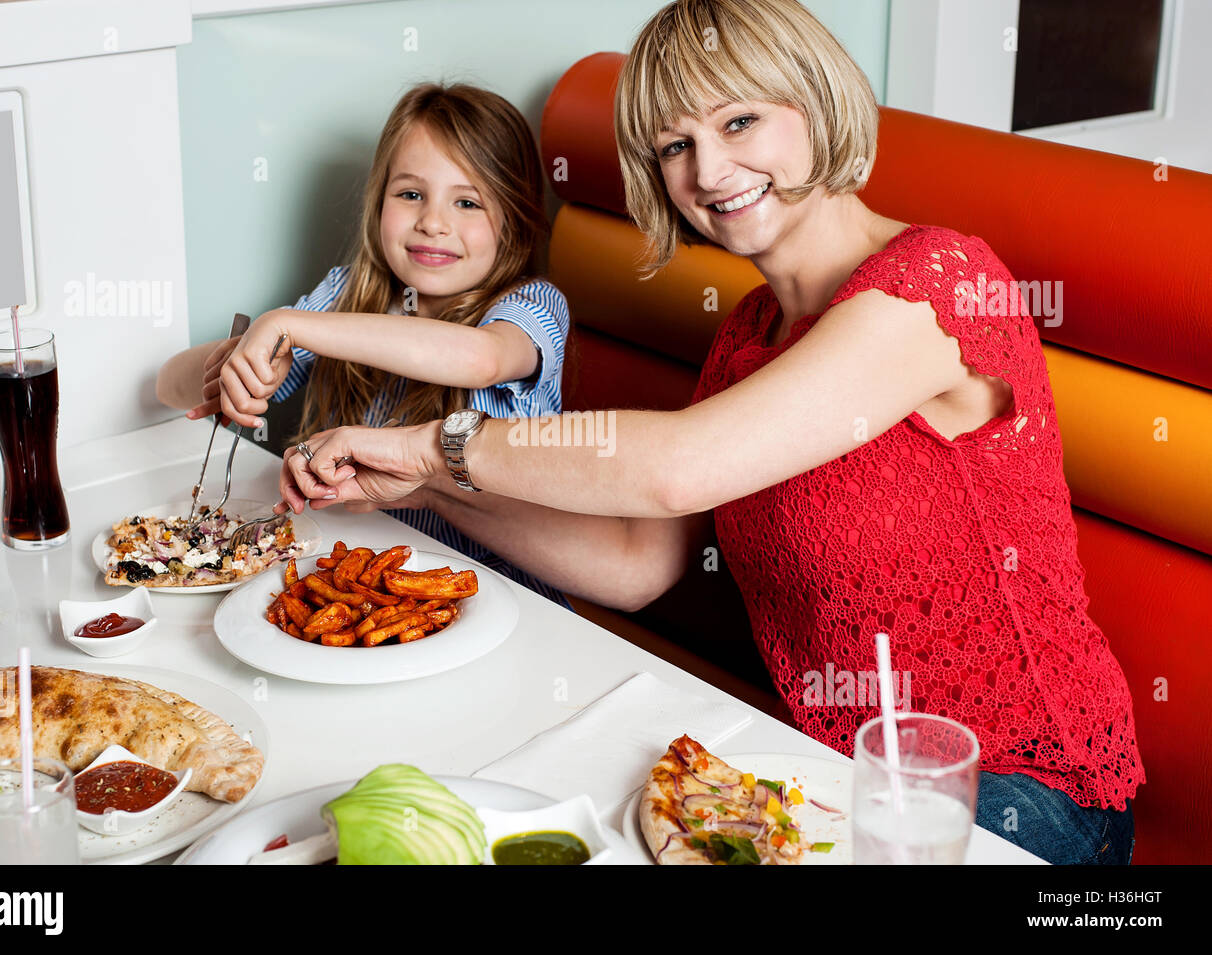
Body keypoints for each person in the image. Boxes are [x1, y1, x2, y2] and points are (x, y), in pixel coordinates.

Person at [276, 0, 1142, 864]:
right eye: (676, 145)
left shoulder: (935, 284)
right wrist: (430, 488)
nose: (710, 167)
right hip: (823, 776)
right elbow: (632, 566)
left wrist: (437, 445)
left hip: (1024, 793)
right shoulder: (748, 334)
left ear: (815, 101)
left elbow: (677, 469)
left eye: (740, 120)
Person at [156, 83, 571, 604]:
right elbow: (168, 383)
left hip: (504, 596)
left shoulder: (533, 305)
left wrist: (289, 323)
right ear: (379, 201)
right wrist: (234, 369)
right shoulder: (350, 293)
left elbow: (477, 357)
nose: (433, 222)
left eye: (467, 202)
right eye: (411, 194)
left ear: (514, 218)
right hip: (373, 586)